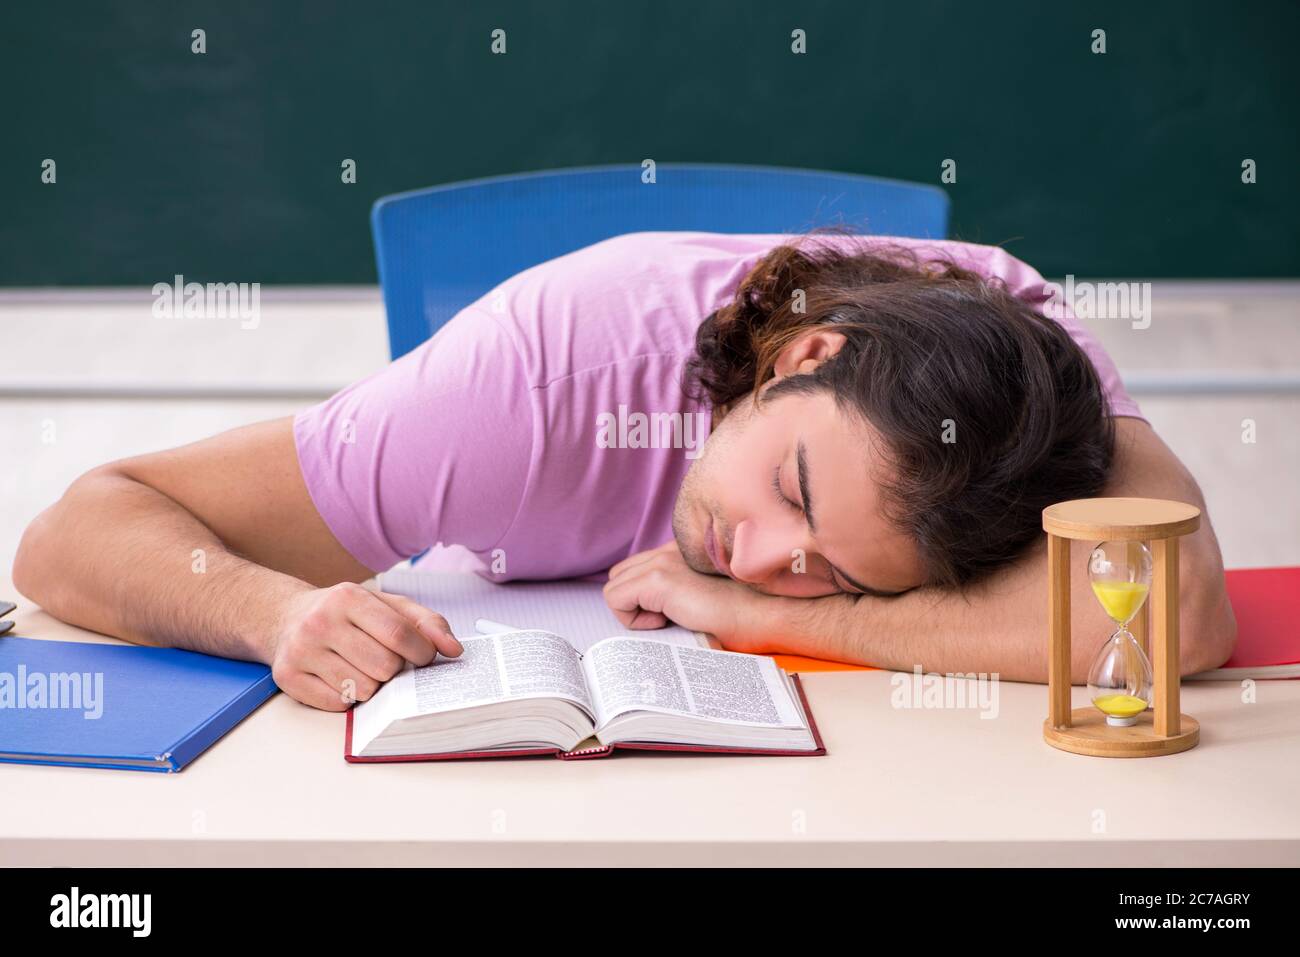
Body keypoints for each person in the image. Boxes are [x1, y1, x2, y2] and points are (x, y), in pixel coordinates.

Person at [14, 232, 1236, 711]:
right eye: (794, 493)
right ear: (802, 358)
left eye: (835, 572)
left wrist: (765, 619)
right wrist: (273, 612)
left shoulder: (1025, 371)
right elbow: (74, 534)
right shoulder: (523, 391)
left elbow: (1171, 619)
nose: (760, 555)